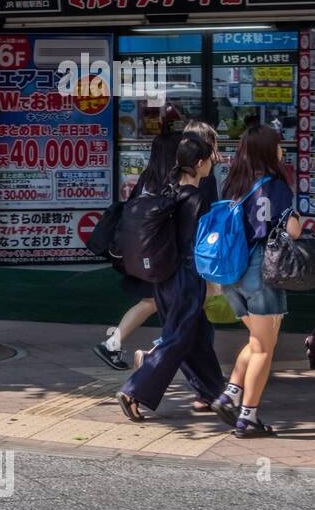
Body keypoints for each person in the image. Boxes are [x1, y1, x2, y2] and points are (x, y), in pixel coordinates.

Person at [115, 136, 224, 420]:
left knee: (195, 336)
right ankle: (133, 391)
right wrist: (212, 282)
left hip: (164, 277)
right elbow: (196, 245)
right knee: (177, 338)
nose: (213, 162)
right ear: (199, 164)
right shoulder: (196, 199)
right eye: (210, 158)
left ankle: (215, 392)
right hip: (186, 278)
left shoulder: (169, 191)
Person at [211, 125, 301, 438]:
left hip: (230, 274)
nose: (281, 151)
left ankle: (231, 394)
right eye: (278, 146)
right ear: (267, 150)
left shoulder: (231, 183)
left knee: (259, 341)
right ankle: (247, 417)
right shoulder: (275, 186)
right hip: (260, 270)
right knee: (264, 347)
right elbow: (292, 231)